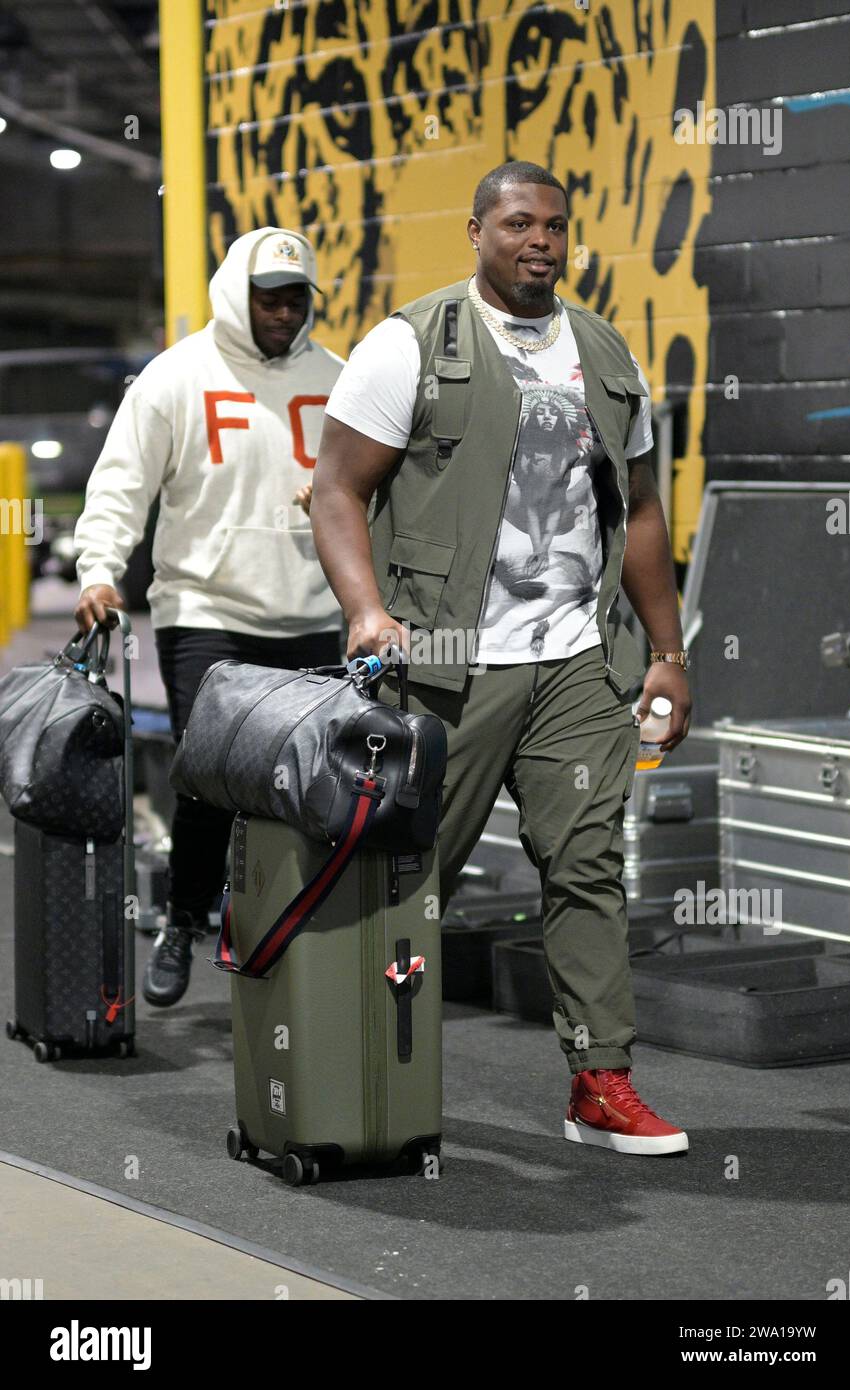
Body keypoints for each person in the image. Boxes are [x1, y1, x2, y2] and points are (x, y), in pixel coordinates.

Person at [311, 162, 693, 1157]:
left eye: (556, 226)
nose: (541, 241)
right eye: (518, 223)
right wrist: (364, 610)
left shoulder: (604, 353)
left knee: (587, 867)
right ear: (475, 230)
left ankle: (598, 1081)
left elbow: (640, 512)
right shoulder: (407, 346)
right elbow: (336, 491)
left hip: (572, 657)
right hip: (444, 655)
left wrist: (665, 652)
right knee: (406, 877)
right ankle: (351, 1073)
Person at [73, 228, 345, 1007]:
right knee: (209, 777)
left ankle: (288, 933)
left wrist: (337, 498)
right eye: (270, 297)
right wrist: (98, 570)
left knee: (312, 787)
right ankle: (184, 921)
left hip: (310, 610)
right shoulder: (174, 378)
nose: (284, 312)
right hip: (206, 607)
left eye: (296, 298)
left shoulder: (339, 379)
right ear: (237, 292)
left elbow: (378, 482)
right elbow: (120, 486)